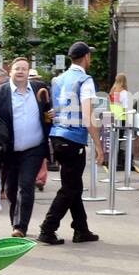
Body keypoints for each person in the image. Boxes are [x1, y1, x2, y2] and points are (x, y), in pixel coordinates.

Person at [37, 42, 102, 245]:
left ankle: (81, 229)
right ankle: (47, 229)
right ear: (85, 57)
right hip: (74, 138)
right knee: (70, 188)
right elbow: (88, 115)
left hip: (57, 136)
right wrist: (99, 146)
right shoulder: (85, 80)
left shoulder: (58, 80)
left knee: (73, 184)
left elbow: (53, 110)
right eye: (89, 56)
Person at [0, 57, 51, 238]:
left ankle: (20, 227)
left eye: (24, 68)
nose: (21, 71)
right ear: (10, 71)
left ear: (29, 71)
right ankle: (14, 223)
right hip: (9, 150)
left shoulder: (40, 89)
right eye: (17, 68)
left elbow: (47, 110)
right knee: (10, 188)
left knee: (26, 185)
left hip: (34, 148)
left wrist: (51, 114)